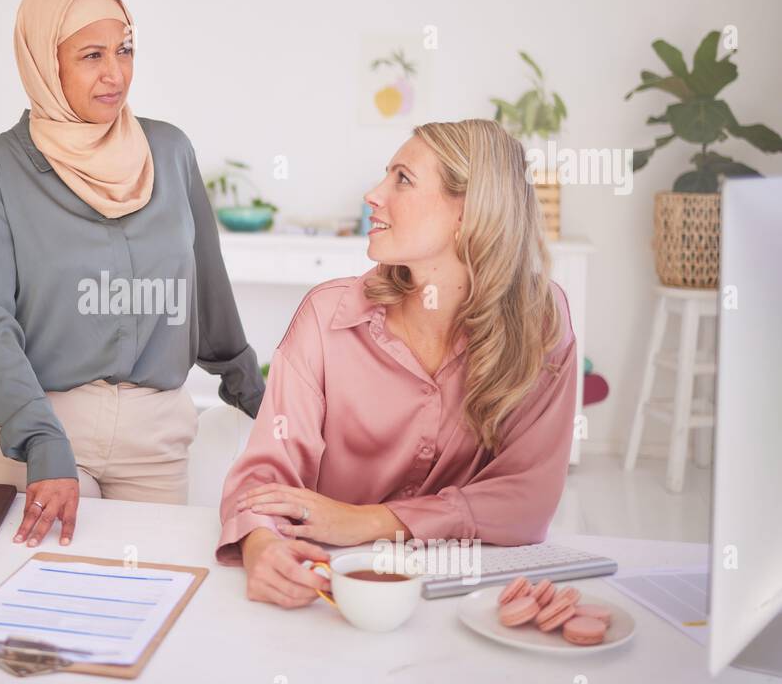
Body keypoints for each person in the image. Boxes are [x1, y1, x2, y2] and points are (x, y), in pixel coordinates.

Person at [0, 0, 264, 549]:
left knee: (151, 605)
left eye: (124, 50)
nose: (115, 74)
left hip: (155, 436)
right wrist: (44, 443)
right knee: (44, 622)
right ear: (44, 63)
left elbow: (206, 284)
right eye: (91, 56)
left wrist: (258, 396)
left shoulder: (169, 151)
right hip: (40, 432)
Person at [219, 119, 577, 609]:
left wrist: (369, 520)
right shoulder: (328, 318)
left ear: (468, 212)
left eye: (402, 179)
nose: (373, 193)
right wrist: (261, 547)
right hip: (330, 589)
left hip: (462, 599)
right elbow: (264, 478)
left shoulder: (540, 321)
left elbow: (527, 500)